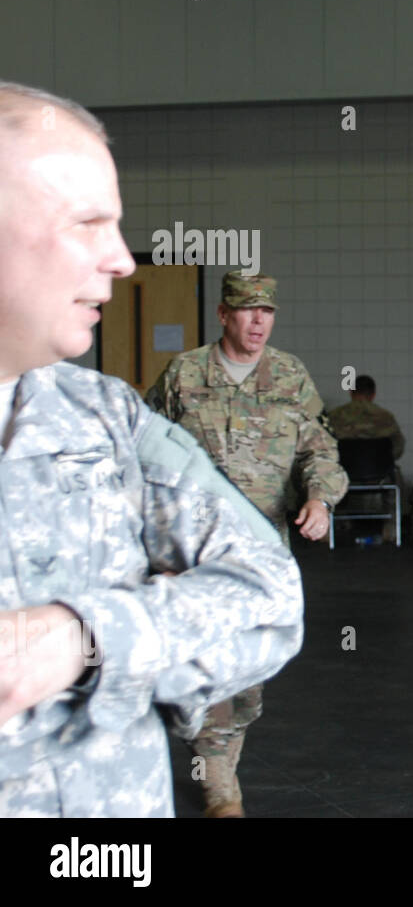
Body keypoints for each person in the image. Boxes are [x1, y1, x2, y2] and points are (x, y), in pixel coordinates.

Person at [0, 80, 303, 817]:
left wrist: (88, 636)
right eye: (88, 224)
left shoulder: (104, 418)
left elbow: (272, 597)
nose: (122, 259)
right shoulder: (178, 377)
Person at [146, 271, 347, 816]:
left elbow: (319, 449)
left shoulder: (289, 375)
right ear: (223, 315)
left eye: (268, 311)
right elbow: (145, 452)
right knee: (183, 664)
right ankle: (205, 773)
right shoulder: (184, 374)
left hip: (259, 552)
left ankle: (218, 775)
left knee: (242, 673)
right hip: (187, 551)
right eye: (247, 310)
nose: (259, 321)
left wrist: (320, 499)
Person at [327, 375, 405, 461]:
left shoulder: (333, 415)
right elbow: (399, 448)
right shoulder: (386, 416)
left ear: (351, 393)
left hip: (342, 471)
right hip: (378, 471)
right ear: (373, 395)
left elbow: (322, 446)